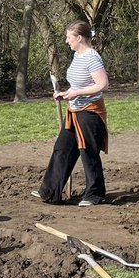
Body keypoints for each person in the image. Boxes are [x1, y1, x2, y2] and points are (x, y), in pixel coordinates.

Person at [32, 22, 109, 207]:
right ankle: (50, 191)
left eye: (69, 37)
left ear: (79, 38)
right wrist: (65, 93)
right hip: (74, 110)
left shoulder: (92, 58)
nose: (67, 41)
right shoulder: (77, 55)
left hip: (90, 112)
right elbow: (78, 84)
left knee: (88, 152)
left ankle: (94, 195)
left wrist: (76, 93)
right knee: (62, 148)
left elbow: (103, 85)